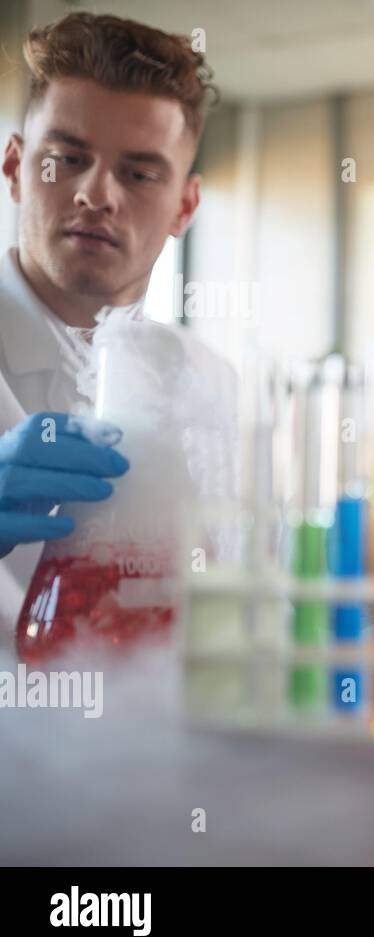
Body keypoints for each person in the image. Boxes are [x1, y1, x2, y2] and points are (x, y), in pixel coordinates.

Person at [0, 13, 217, 639]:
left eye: (139, 173)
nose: (97, 194)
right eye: (67, 157)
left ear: (185, 206)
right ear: (16, 167)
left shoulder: (209, 384)